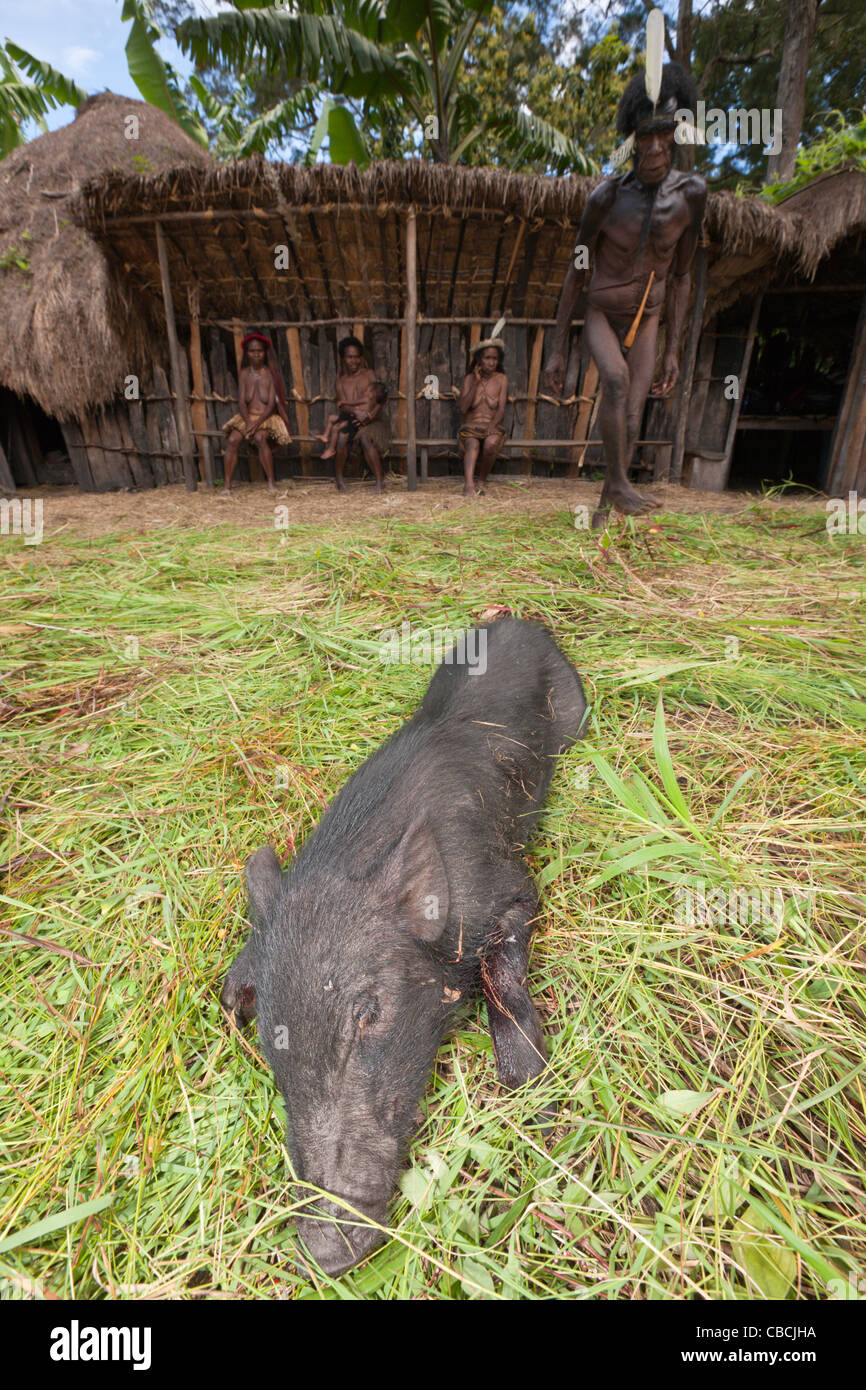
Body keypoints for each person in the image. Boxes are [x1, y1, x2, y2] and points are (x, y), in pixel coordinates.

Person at [544, 60, 707, 527]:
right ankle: (617, 485)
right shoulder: (606, 199)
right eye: (644, 135)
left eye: (663, 133)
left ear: (677, 132)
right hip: (602, 310)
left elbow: (680, 277)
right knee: (613, 381)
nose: (654, 147)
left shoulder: (692, 197)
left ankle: (604, 507)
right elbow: (577, 271)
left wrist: (673, 350)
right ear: (632, 137)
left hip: (649, 318)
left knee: (633, 419)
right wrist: (557, 350)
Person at [222, 333, 292, 495]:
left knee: (260, 438)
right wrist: (247, 421)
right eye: (252, 351)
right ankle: (227, 486)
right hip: (247, 417)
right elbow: (241, 401)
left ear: (265, 352)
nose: (256, 354)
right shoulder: (244, 374)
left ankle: (271, 483)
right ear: (247, 353)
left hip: (267, 417)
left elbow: (272, 404)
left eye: (259, 351)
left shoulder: (272, 375)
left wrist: (257, 422)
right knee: (232, 440)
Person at [331, 338, 390, 493]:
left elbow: (381, 398)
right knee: (341, 438)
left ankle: (379, 481)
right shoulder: (340, 382)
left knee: (365, 437)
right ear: (343, 358)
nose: (353, 361)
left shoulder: (368, 374)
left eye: (356, 356)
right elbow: (342, 405)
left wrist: (370, 416)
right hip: (352, 420)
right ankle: (339, 479)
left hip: (373, 422)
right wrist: (356, 413)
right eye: (350, 357)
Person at [458, 326, 508, 498]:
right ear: (479, 359)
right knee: (472, 444)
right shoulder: (469, 379)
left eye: (494, 358)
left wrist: (492, 426)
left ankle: (482, 481)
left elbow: (501, 408)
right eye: (487, 358)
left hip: (492, 426)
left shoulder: (502, 379)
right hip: (470, 427)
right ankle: (469, 485)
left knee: (490, 444)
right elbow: (463, 408)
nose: (491, 362)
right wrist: (476, 383)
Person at [318, 381, 388, 460]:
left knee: (336, 428)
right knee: (331, 418)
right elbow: (355, 404)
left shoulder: (372, 403)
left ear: (373, 394)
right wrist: (345, 403)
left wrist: (344, 402)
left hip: (354, 421)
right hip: (352, 417)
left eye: (367, 390)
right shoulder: (368, 401)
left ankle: (331, 449)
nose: (365, 391)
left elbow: (358, 408)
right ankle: (325, 436)